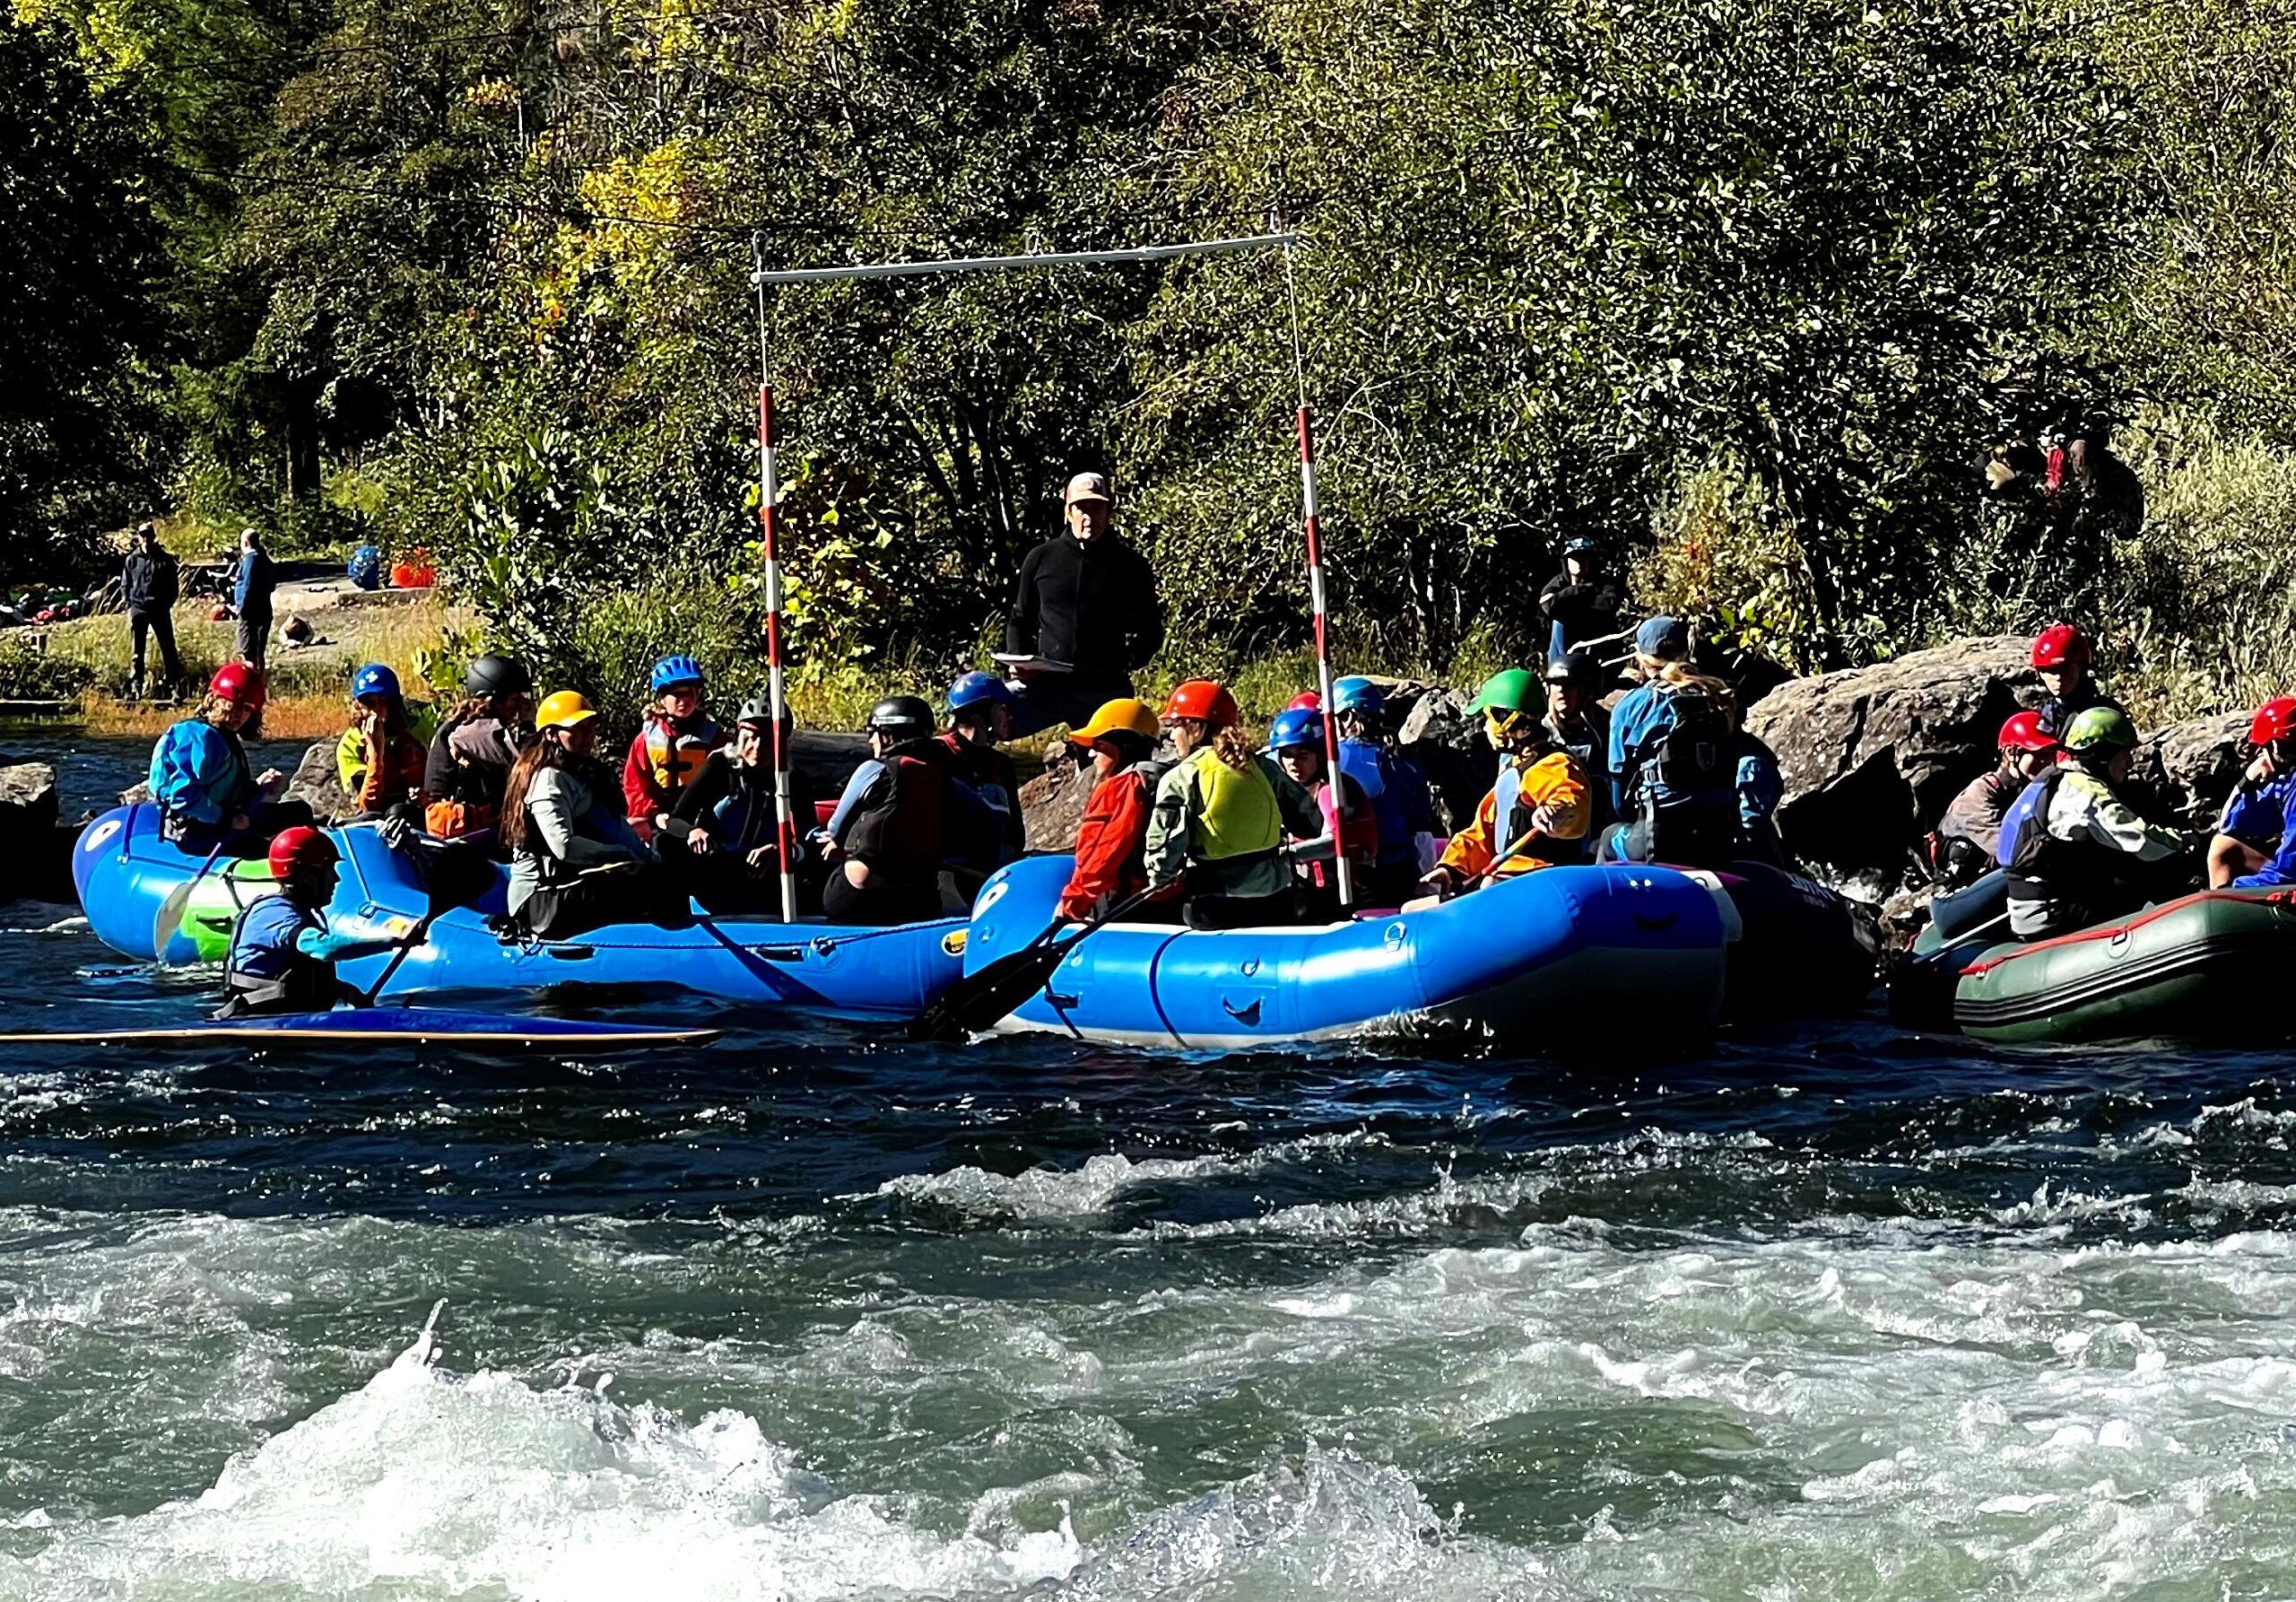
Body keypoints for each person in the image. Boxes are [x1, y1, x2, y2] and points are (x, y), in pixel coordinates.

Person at [1999, 707, 2188, 939]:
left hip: (2033, 913)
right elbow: (2140, 841)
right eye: (2124, 754)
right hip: (2054, 915)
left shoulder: (2053, 782)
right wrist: (2186, 841)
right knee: (2149, 870)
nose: (2129, 763)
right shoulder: (2084, 790)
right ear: (2102, 754)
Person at [1144, 679, 1318, 930]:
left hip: (1214, 904)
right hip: (1275, 897)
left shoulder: (1182, 776)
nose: (1172, 735)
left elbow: (1165, 850)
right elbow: (1310, 823)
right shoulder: (1263, 767)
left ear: (1196, 728)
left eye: (1176, 726)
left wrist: (1160, 878)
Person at [1003, 472, 1167, 735]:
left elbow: (1152, 630)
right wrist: (1019, 662)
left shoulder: (1131, 566)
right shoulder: (1041, 558)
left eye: (1097, 507)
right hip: (1047, 686)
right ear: (1068, 512)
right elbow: (1020, 619)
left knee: (1115, 762)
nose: (1089, 516)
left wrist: (1129, 660)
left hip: (1106, 689)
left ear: (1108, 511)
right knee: (987, 718)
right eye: (1081, 507)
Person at [1413, 668, 1591, 902]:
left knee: (1489, 884)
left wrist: (1556, 813)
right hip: (1507, 880)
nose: (1487, 728)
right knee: (1414, 907)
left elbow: (1572, 803)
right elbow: (1482, 832)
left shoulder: (1556, 764)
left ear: (1507, 719)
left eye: (1489, 718)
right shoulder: (1513, 771)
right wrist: (1450, 869)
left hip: (1543, 882)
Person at [816, 696, 996, 926]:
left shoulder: (873, 769)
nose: (871, 740)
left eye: (873, 731)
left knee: (826, 871)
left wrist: (839, 842)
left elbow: (835, 828)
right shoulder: (946, 780)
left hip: (859, 899)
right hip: (919, 900)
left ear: (888, 735)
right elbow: (990, 824)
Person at [501, 692, 662, 939]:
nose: (587, 735)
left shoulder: (585, 773)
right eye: (576, 728)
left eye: (589, 726)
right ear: (551, 734)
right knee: (633, 883)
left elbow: (615, 827)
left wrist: (651, 861)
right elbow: (563, 847)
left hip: (572, 886)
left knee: (655, 877)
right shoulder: (548, 779)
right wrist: (620, 855)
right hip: (540, 900)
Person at [215, 828, 406, 1017]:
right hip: (260, 1021)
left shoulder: (300, 911)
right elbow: (323, 948)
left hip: (291, 1018)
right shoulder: (272, 913)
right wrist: (393, 941)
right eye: (329, 869)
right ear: (305, 876)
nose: (336, 879)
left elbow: (298, 977)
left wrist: (345, 992)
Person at [662, 696, 821, 913]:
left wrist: (783, 851)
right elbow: (675, 820)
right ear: (739, 734)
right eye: (751, 737)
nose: (758, 747)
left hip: (762, 872)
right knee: (664, 843)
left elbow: (811, 841)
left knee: (820, 871)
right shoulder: (720, 765)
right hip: (714, 868)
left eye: (768, 739)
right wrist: (693, 831)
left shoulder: (793, 779)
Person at [1605, 617, 1739, 869]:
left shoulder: (1636, 704)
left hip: (1661, 835)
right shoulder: (1719, 698)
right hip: (1718, 833)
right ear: (1687, 652)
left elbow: (1619, 803)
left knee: (1606, 838)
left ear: (1642, 658)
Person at [148, 663, 309, 851]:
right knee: (260, 850)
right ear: (214, 700)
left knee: (300, 812)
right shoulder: (197, 738)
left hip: (220, 820)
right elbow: (183, 798)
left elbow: (220, 790)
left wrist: (258, 787)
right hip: (191, 830)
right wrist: (227, 820)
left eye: (247, 709)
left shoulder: (222, 736)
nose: (239, 715)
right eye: (232, 706)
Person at [1055, 699, 1171, 923]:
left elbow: (1102, 854)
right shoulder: (1169, 778)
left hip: (1124, 904)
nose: (1091, 754)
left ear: (1124, 745)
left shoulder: (1120, 787)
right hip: (1167, 900)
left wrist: (1073, 903)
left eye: (1099, 745)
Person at [1330, 676, 1439, 907]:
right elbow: (1423, 836)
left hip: (1356, 880)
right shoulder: (1405, 765)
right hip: (1403, 875)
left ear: (1349, 716)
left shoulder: (1334, 762)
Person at [1267, 705, 1378, 920]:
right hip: (1315, 888)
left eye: (1303, 755)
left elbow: (1333, 842)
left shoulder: (1330, 790)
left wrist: (1287, 855)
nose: (1293, 763)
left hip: (1346, 893)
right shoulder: (1294, 791)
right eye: (1287, 755)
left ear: (1320, 755)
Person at [1928, 711, 2058, 887]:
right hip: (1960, 891)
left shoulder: (2036, 788)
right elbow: (2009, 851)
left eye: (2050, 753)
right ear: (2012, 753)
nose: (2046, 761)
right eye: (2037, 753)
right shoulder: (1979, 795)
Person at [423, 654, 535, 840]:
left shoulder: (461, 726)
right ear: (492, 700)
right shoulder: (474, 732)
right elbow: (523, 770)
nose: (519, 707)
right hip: (472, 836)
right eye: (514, 700)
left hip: (472, 830)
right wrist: (528, 727)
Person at [622, 654, 726, 841]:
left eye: (690, 693)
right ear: (662, 698)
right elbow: (634, 786)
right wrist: (655, 814)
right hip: (658, 819)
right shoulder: (646, 739)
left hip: (703, 818)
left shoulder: (715, 738)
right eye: (677, 694)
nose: (684, 700)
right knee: (632, 829)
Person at [938, 672, 1026, 873]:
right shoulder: (937, 756)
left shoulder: (1002, 764)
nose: (1008, 716)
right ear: (981, 715)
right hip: (948, 871)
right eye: (1002, 709)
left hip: (993, 870)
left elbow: (1015, 837)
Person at [2208, 697, 2296, 889]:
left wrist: (2232, 891)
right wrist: (2247, 782)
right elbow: (2230, 826)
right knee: (2223, 847)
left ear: (2275, 746)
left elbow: (2289, 872)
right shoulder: (2287, 781)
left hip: (2291, 876)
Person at [335, 663, 431, 823]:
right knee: (396, 813)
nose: (376, 710)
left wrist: (427, 795)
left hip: (420, 810)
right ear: (358, 705)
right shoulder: (349, 746)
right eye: (368, 702)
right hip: (377, 818)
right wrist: (375, 755)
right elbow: (367, 806)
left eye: (383, 701)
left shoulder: (422, 730)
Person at [1542, 651, 1613, 834]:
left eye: (1570, 685)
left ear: (1589, 690)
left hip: (1602, 825)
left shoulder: (1609, 728)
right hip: (1557, 828)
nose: (1561, 691)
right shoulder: (1540, 735)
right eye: (1555, 684)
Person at [2031, 623, 2126, 740]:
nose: (2058, 677)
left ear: (2081, 667)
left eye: (2066, 669)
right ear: (2040, 673)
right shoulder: (2043, 716)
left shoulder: (2107, 712)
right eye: (2050, 670)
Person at [121, 521, 183, 700]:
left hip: (159, 610)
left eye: (148, 534)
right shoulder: (132, 559)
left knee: (168, 649)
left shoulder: (165, 560)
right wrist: (129, 604)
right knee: (137, 651)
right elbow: (125, 584)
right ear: (139, 537)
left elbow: (173, 587)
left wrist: (165, 604)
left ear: (154, 536)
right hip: (138, 609)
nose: (145, 538)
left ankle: (174, 688)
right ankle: (135, 688)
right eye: (142, 535)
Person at [1537, 536, 1625, 659]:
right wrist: (1579, 591)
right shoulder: (1558, 583)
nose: (1579, 562)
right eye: (1574, 557)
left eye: (1584, 557)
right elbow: (1548, 605)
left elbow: (1609, 604)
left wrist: (1571, 604)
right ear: (1566, 561)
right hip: (1565, 645)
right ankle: (1560, 664)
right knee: (1560, 621)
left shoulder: (1604, 583)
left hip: (1598, 645)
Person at [231, 527, 276, 673]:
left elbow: (248, 587)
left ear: (245, 543)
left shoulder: (251, 560)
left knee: (249, 653)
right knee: (259, 653)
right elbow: (271, 584)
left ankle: (250, 686)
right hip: (264, 609)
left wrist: (240, 608)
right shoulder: (264, 559)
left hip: (251, 613)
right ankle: (260, 685)